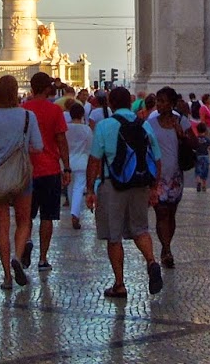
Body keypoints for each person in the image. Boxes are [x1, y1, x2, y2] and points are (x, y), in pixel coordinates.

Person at [85, 84, 165, 300]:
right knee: (140, 229)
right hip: (139, 183)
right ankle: (151, 261)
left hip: (112, 185)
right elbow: (157, 159)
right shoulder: (144, 125)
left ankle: (119, 284)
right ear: (130, 103)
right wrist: (154, 187)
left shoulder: (104, 126)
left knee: (114, 236)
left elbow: (94, 160)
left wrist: (90, 190)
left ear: (110, 104)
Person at [0, 73, 42, 289]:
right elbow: (38, 147)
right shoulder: (28, 116)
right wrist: (21, 147)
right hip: (21, 176)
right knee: (24, 221)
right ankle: (17, 256)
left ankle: (7, 276)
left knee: (2, 226)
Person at [22, 71, 71, 272]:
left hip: (27, 170)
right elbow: (61, 140)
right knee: (47, 216)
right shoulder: (55, 110)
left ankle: (25, 243)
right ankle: (43, 258)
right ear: (48, 88)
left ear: (32, 88)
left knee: (26, 216)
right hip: (50, 169)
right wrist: (66, 167)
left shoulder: (23, 110)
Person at [147, 87, 189, 268]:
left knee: (171, 214)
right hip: (157, 176)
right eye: (158, 101)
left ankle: (167, 244)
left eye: (163, 101)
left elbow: (194, 143)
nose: (159, 104)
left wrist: (182, 134)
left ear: (172, 103)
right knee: (161, 212)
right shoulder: (150, 123)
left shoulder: (181, 121)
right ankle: (166, 249)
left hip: (175, 175)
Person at [63, 99, 93, 229]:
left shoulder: (65, 128)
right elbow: (90, 147)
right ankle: (75, 213)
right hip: (82, 161)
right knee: (79, 188)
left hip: (68, 162)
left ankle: (73, 210)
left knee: (70, 188)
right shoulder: (86, 129)